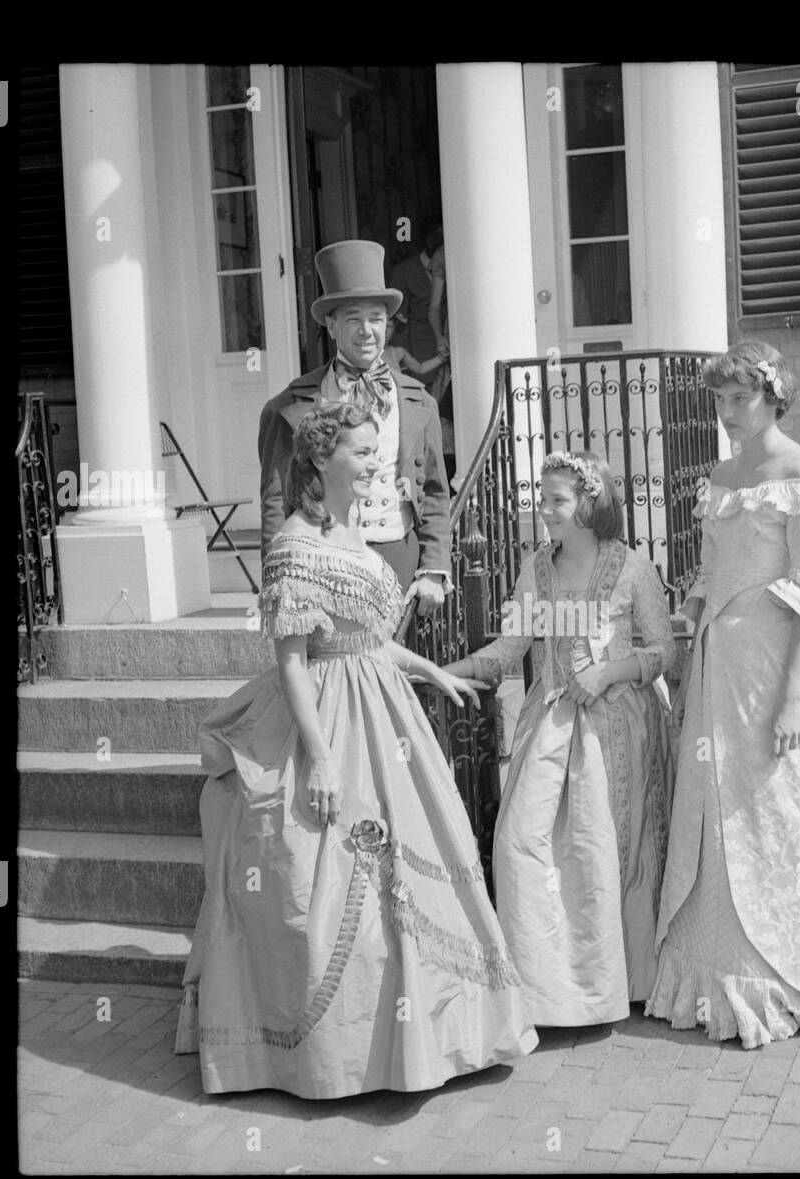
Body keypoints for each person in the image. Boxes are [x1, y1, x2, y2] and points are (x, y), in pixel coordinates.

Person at [175, 401, 537, 1098]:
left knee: (423, 868)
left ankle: (435, 1040)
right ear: (322, 458)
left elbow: (369, 640)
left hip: (385, 708)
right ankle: (336, 1055)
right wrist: (318, 759)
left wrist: (428, 669)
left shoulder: (356, 537)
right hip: (325, 713)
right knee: (328, 882)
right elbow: (291, 659)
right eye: (364, 452)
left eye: (378, 452)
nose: (377, 464)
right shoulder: (294, 541)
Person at [646, 343, 800, 1047]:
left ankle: (797, 976)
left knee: (786, 814)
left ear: (773, 397)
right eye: (719, 401)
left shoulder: (798, 472)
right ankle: (724, 977)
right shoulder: (719, 474)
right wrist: (686, 629)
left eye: (738, 399)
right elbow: (710, 573)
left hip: (777, 669)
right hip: (721, 667)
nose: (726, 413)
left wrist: (795, 697)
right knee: (718, 815)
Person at [443, 453, 675, 1026]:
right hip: (549, 724)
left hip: (616, 726)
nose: (543, 511)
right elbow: (509, 648)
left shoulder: (632, 568)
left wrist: (609, 672)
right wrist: (452, 670)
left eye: (556, 501)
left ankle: (622, 985)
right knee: (523, 842)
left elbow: (664, 650)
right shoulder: (536, 570)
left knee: (607, 855)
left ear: (589, 504)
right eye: (540, 499)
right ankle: (548, 995)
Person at [258, 239, 450, 617]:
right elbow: (275, 501)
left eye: (376, 318)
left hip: (400, 560)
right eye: (353, 318)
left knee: (397, 674)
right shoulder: (290, 407)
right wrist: (280, 581)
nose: (367, 331)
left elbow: (435, 492)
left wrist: (433, 569)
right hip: (323, 562)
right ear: (331, 325)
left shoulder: (419, 401)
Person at [389, 221, 445, 374]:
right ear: (427, 241)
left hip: (452, 350)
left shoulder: (455, 264)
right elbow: (398, 323)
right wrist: (403, 365)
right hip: (420, 356)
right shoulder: (403, 272)